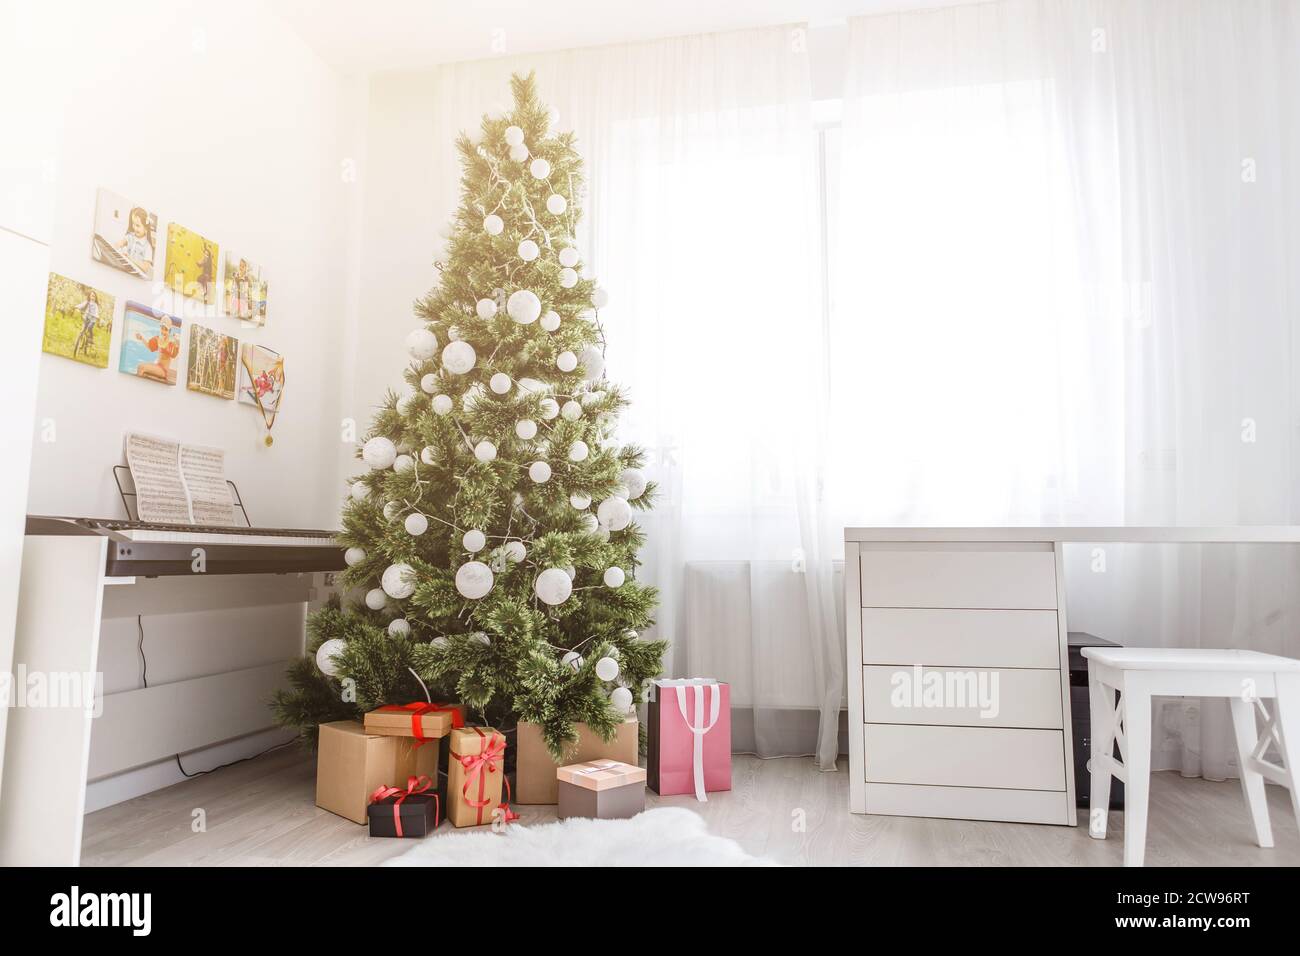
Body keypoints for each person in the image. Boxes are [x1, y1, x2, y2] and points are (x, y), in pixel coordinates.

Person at [134, 318, 179, 383]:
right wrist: (141, 338)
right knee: (139, 366)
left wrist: (177, 345)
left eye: (166, 329)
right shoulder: (158, 339)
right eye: (162, 329)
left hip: (163, 370)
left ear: (169, 330)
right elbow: (150, 347)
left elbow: (174, 355)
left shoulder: (171, 342)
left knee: (141, 367)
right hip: (157, 366)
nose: (163, 332)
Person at [115, 207, 154, 275]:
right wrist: (117, 247)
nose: (134, 228)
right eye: (133, 224)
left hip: (136, 275)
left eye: (138, 225)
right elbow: (120, 243)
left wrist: (130, 259)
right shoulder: (130, 236)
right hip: (125, 270)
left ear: (145, 229)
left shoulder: (148, 247)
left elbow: (145, 268)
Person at [72, 289, 100, 358]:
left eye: (94, 296)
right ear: (89, 296)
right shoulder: (87, 302)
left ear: (95, 297)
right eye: (91, 296)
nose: (92, 297)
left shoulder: (95, 305)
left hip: (92, 320)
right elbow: (81, 305)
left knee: (89, 328)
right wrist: (77, 307)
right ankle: (79, 341)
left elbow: (96, 312)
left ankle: (90, 339)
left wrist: (96, 316)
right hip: (86, 318)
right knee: (83, 330)